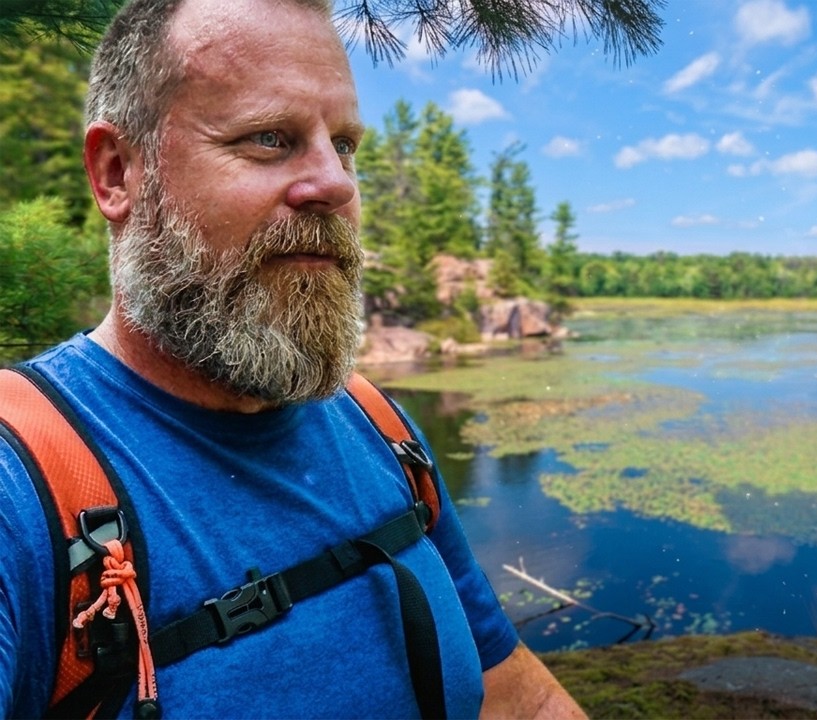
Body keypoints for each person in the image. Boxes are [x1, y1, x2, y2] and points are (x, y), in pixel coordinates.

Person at [0, 0, 587, 716]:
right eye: (269, 138)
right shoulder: (20, 492)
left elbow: (512, 697)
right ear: (118, 173)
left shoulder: (381, 431)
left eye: (343, 145)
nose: (336, 184)